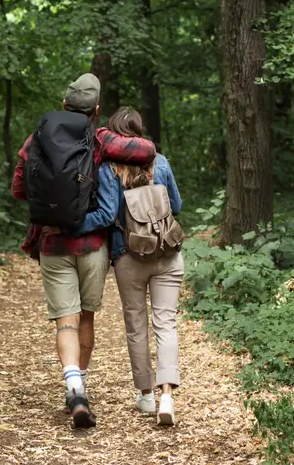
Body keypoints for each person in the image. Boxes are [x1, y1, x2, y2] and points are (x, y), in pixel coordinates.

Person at [11, 73, 156, 428]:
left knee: (66, 321)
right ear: (96, 109)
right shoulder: (100, 138)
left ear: (63, 104)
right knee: (86, 317)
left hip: (52, 242)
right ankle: (79, 386)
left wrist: (53, 208)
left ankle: (74, 387)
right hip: (93, 245)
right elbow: (146, 151)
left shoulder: (37, 139)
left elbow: (18, 188)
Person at [73, 106, 184, 426]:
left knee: (136, 326)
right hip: (167, 252)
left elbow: (107, 215)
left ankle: (146, 396)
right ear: (139, 132)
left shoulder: (108, 168)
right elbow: (175, 205)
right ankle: (167, 395)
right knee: (166, 324)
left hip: (129, 256)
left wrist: (74, 224)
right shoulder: (160, 162)